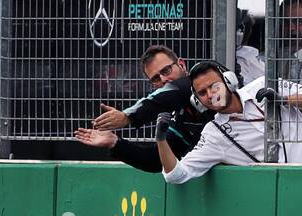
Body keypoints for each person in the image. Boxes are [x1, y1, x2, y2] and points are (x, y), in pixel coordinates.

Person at [158, 62, 302, 184]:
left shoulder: (263, 84)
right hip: (285, 187)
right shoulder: (213, 134)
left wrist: (283, 100)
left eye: (214, 86)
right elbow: (176, 175)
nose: (211, 95)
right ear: (197, 101)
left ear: (229, 81)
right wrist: (161, 139)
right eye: (202, 93)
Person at [74, 44, 212, 173]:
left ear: (182, 65)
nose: (163, 79)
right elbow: (157, 161)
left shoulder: (204, 78)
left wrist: (127, 116)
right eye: (156, 79)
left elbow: (176, 90)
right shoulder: (178, 118)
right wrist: (115, 143)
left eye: (166, 70)